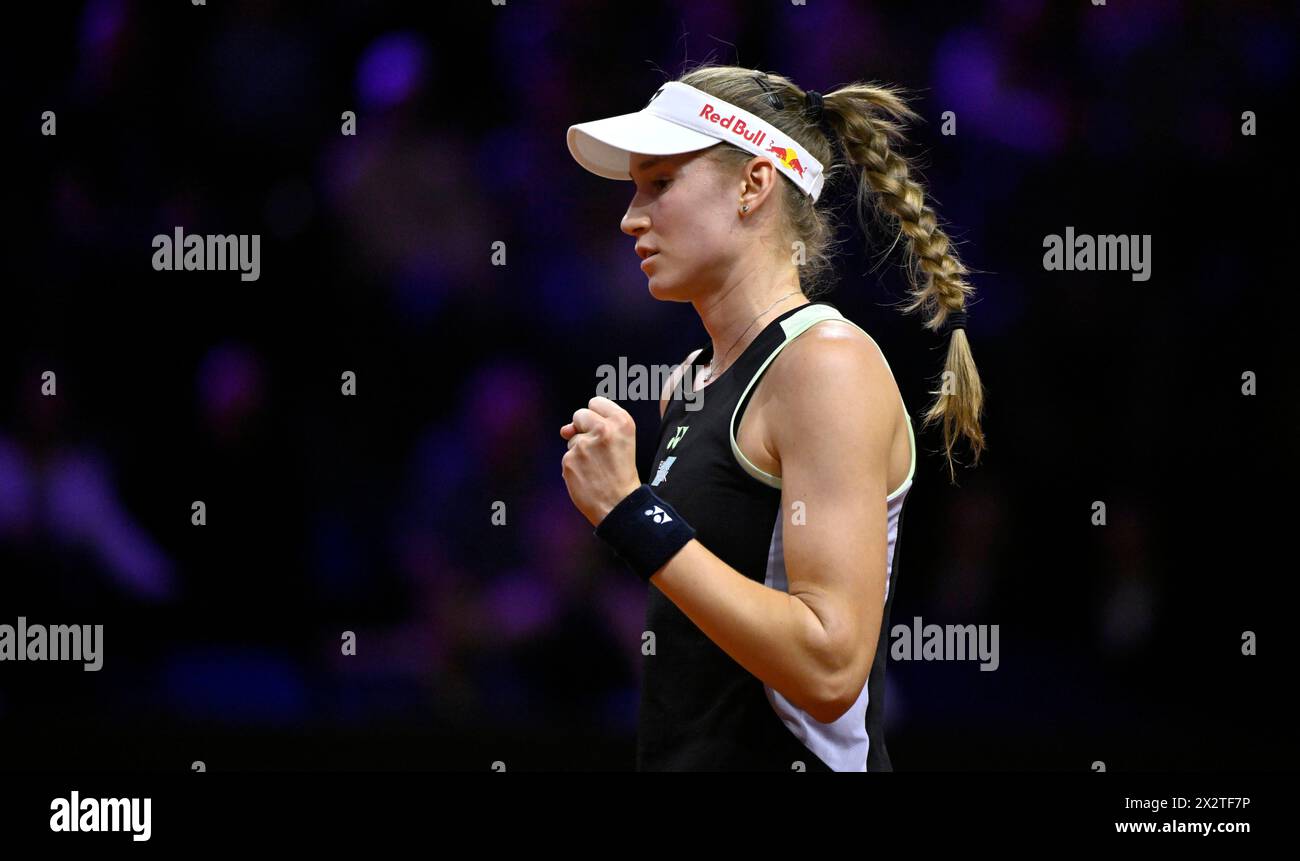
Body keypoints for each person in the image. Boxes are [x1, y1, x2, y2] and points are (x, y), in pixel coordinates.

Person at [559, 64, 985, 771]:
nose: (631, 216)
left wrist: (632, 514)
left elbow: (829, 667)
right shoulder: (686, 385)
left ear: (753, 185)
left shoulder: (826, 364)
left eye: (659, 183)